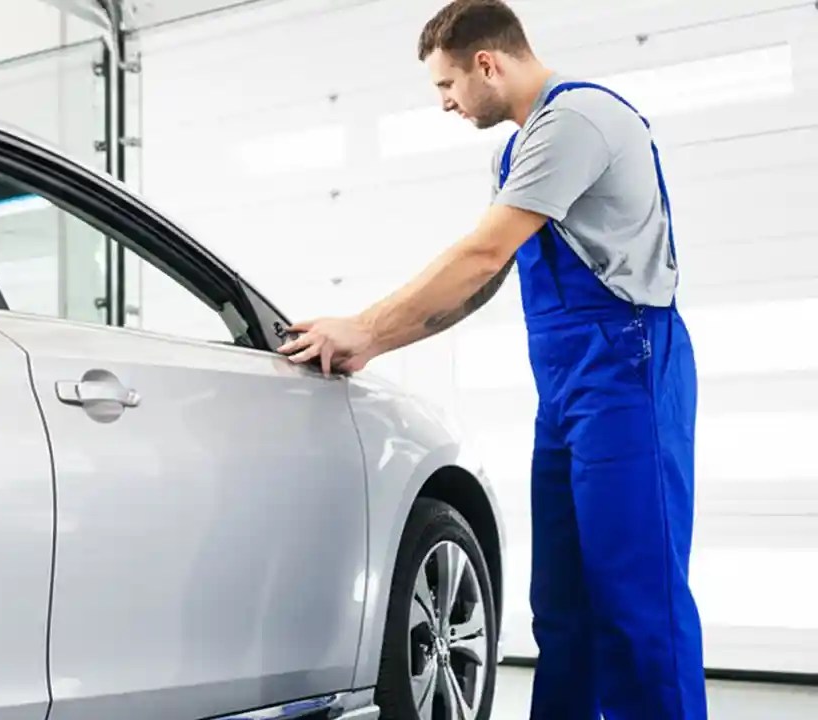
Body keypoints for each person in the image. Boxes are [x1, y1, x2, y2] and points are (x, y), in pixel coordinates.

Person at [278, 1, 707, 718]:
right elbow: (481, 283)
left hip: (628, 370)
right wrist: (371, 343)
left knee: (639, 600)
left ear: (487, 63)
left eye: (446, 86)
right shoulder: (516, 149)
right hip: (568, 389)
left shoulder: (578, 121)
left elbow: (479, 251)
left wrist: (368, 328)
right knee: (562, 605)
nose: (444, 103)